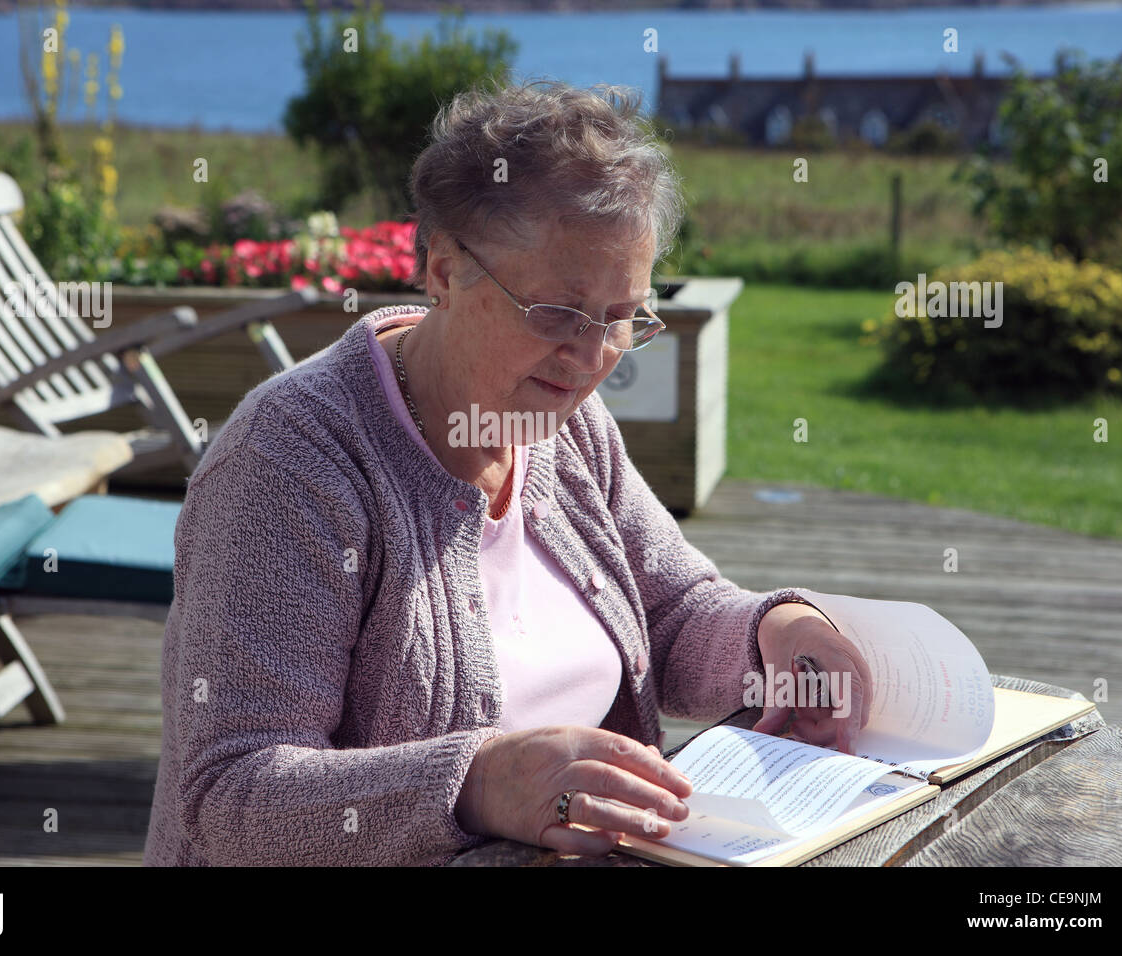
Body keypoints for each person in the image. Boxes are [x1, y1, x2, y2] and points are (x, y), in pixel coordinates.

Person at [143, 78, 872, 867]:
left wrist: (777, 636)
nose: (593, 359)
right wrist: (479, 785)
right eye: (557, 313)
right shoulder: (288, 462)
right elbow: (231, 795)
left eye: (623, 318)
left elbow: (673, 613)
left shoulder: (565, 423)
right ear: (444, 271)